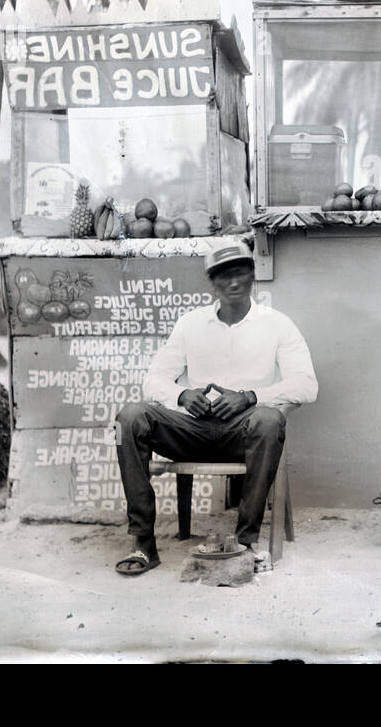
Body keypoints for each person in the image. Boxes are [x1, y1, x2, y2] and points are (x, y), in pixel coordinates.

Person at [113, 240, 318, 576]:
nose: (233, 282)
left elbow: (308, 385)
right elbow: (153, 380)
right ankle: (142, 541)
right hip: (191, 429)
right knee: (131, 417)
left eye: (240, 273)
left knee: (269, 419)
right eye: (223, 276)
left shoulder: (278, 323)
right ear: (212, 283)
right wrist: (181, 395)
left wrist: (251, 396)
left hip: (245, 430)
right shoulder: (190, 323)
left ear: (253, 276)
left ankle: (244, 543)